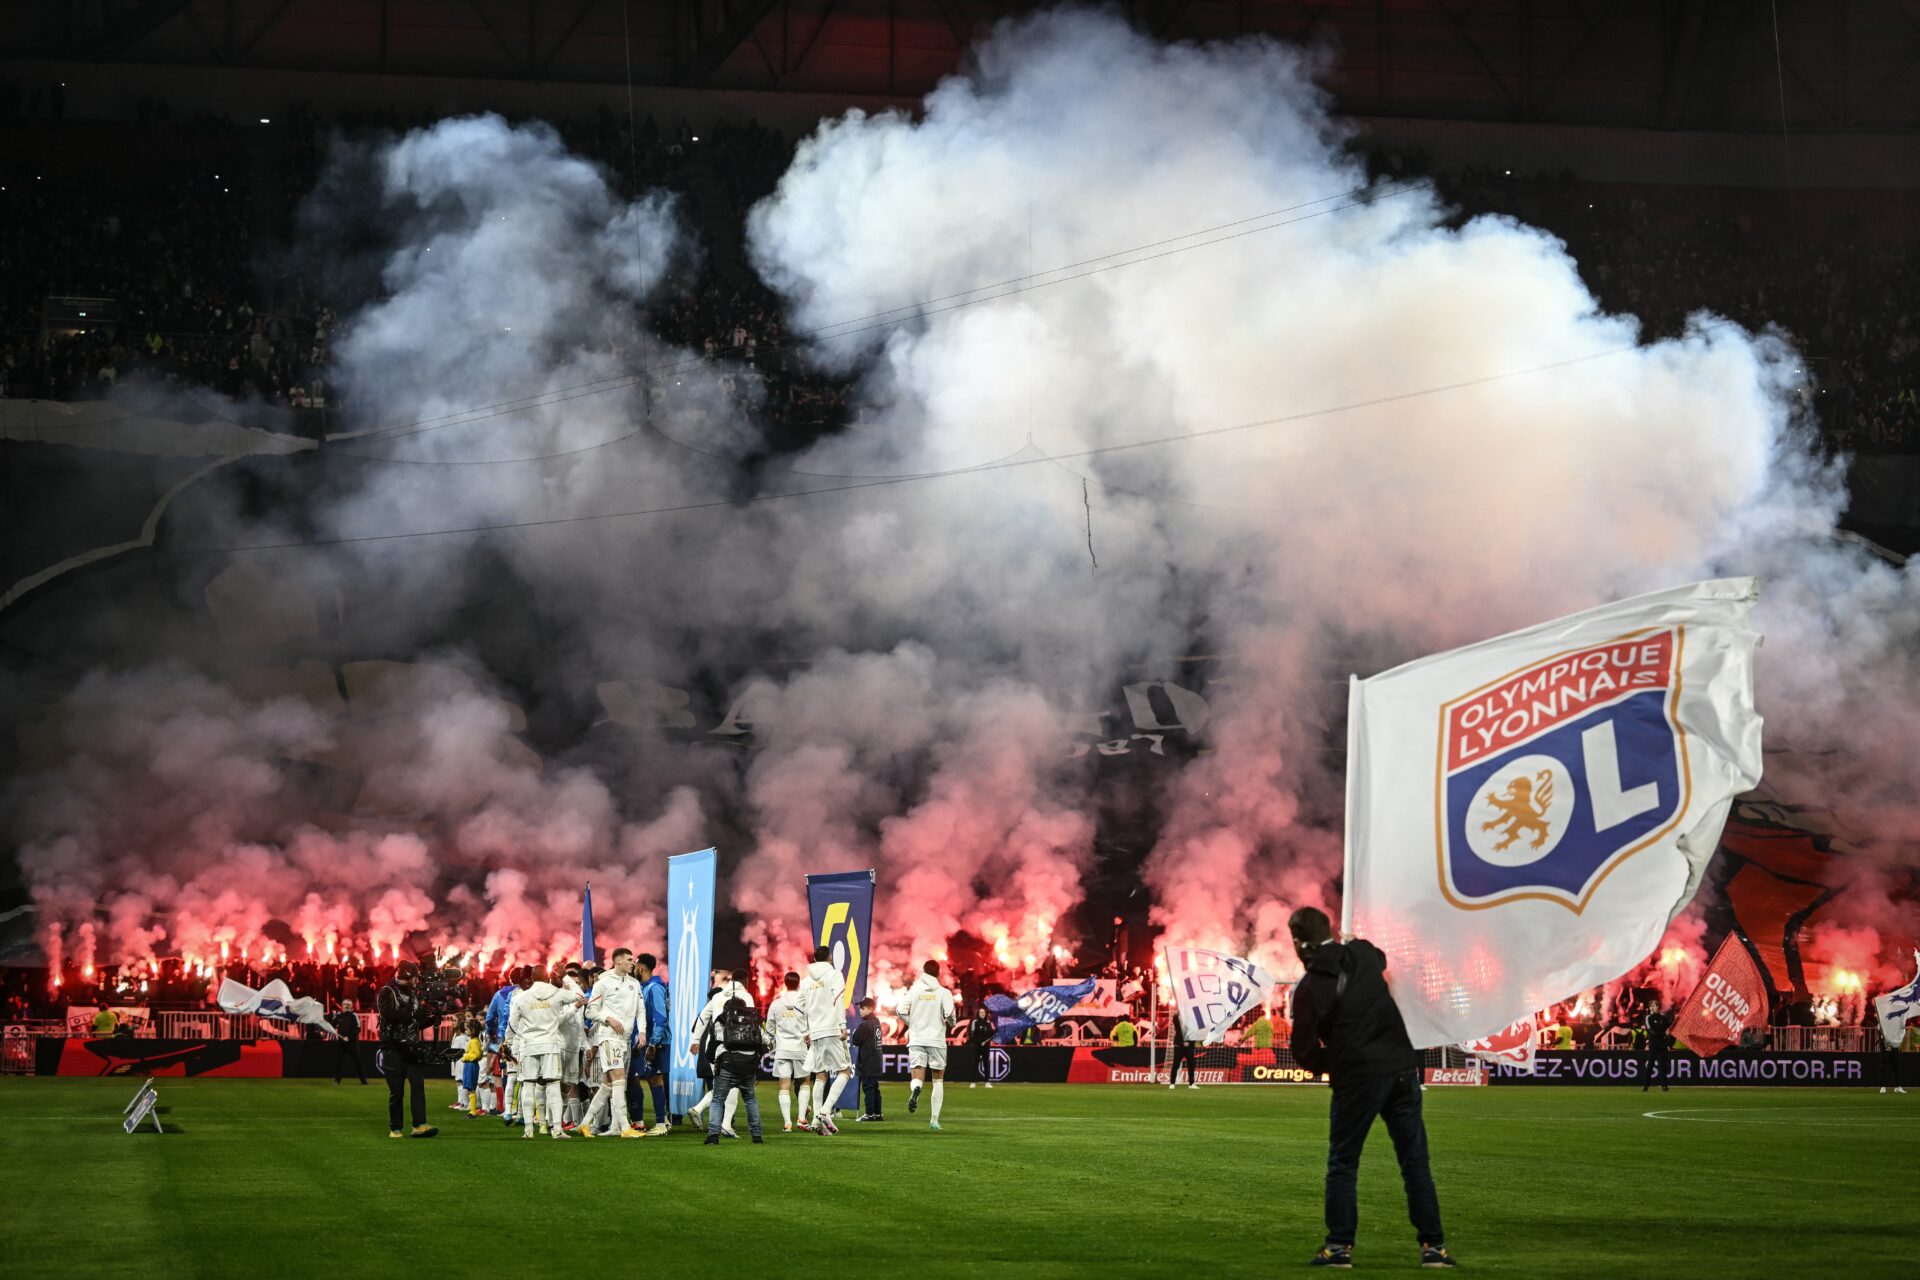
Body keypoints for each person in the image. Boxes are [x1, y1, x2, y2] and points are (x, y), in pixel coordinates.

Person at [1287, 906, 1451, 1270]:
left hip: (1358, 1077)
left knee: (1343, 1163)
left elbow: (1304, 1051)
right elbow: (1379, 956)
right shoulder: (1362, 953)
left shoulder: (1310, 986)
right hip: (1401, 1068)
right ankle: (1434, 1247)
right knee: (1415, 1163)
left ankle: (1339, 1246)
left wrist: (1335, 1064)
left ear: (1299, 942)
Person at [507, 964, 584, 1139]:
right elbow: (580, 995)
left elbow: (512, 1024)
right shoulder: (556, 993)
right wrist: (565, 977)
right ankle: (557, 1129)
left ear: (532, 978)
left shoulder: (522, 998)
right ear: (547, 977)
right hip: (550, 1044)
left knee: (528, 1085)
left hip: (529, 1046)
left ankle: (528, 1130)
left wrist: (517, 1040)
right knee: (553, 1085)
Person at [578, 947, 648, 1139]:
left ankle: (585, 1124)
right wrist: (608, 1019)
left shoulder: (634, 983)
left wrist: (642, 1031)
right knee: (619, 1080)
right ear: (618, 962)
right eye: (629, 959)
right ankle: (625, 1127)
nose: (632, 962)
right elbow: (590, 1011)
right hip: (608, 1037)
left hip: (625, 1039)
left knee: (608, 1084)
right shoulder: (604, 983)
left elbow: (640, 1010)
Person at [375, 961, 439, 1139]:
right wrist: (413, 1014)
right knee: (397, 1091)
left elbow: (416, 1023)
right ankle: (395, 1128)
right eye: (414, 978)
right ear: (409, 977)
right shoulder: (386, 991)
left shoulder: (413, 994)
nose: (416, 981)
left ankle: (419, 1124)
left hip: (411, 1047)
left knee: (418, 1085)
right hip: (393, 1048)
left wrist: (433, 1018)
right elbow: (388, 1014)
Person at [689, 970, 753, 1137]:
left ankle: (702, 1111)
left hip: (714, 1047)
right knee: (733, 1085)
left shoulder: (718, 995)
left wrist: (695, 1041)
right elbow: (750, 1022)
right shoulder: (746, 997)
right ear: (745, 982)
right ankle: (725, 1124)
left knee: (722, 1085)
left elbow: (702, 1018)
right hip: (735, 1046)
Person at [703, 987, 767, 1145]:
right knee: (750, 1099)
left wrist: (713, 1061)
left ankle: (713, 1135)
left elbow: (712, 1046)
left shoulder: (722, 1020)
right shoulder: (752, 1020)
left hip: (727, 1064)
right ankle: (756, 1135)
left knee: (718, 1099)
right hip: (749, 1066)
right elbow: (764, 1040)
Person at [800, 946, 850, 1134]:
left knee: (820, 1075)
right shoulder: (834, 975)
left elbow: (798, 1006)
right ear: (830, 958)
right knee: (844, 1070)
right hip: (831, 1028)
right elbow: (838, 998)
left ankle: (815, 1121)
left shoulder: (806, 981)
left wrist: (805, 1030)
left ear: (814, 959)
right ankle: (825, 1111)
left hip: (815, 1032)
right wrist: (842, 1024)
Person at [902, 960, 956, 1129]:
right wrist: (952, 1024)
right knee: (937, 1080)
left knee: (917, 1075)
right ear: (938, 973)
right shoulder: (944, 993)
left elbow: (900, 1010)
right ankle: (934, 1120)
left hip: (917, 1039)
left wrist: (912, 1024)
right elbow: (949, 1013)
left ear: (923, 971)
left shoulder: (914, 991)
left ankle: (916, 1088)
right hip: (936, 1041)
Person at [632, 953, 672, 1135]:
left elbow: (660, 1018)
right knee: (652, 1079)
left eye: (635, 967)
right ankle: (663, 1120)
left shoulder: (654, 988)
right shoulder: (646, 987)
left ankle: (661, 1124)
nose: (633, 970)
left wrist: (653, 1043)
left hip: (657, 1042)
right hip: (650, 1041)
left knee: (655, 1080)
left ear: (641, 968)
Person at [767, 972, 812, 1130]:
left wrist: (770, 1043)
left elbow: (770, 1029)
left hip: (782, 1049)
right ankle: (801, 1119)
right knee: (805, 1082)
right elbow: (811, 1023)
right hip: (800, 1048)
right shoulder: (805, 1003)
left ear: (785, 984)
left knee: (784, 1086)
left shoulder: (776, 1003)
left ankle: (787, 1123)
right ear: (799, 983)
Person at [851, 997, 884, 1121]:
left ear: (870, 1009)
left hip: (868, 1061)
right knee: (875, 1087)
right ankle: (877, 1113)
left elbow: (855, 1040)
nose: (860, 1010)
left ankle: (869, 1113)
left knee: (868, 1088)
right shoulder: (876, 1021)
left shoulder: (866, 1024)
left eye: (863, 1008)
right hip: (876, 1060)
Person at [331, 999, 367, 1084]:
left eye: (348, 1004)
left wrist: (349, 1037)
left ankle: (363, 1081)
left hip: (352, 1044)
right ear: (342, 1005)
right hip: (341, 1044)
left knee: (357, 1063)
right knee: (339, 1063)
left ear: (351, 1006)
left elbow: (358, 1029)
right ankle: (337, 1081)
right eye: (344, 1004)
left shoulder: (354, 1016)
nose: (346, 1006)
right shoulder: (339, 1016)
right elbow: (332, 1025)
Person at [1639, 1008, 1672, 1094]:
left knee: (1663, 1066)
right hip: (1653, 1045)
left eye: (1655, 1006)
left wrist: (1676, 1018)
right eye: (1652, 1006)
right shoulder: (1648, 1018)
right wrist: (1663, 1034)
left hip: (1662, 1045)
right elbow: (1651, 1031)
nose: (1653, 1008)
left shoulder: (1662, 1018)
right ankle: (1646, 1085)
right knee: (1650, 1066)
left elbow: (1668, 1025)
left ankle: (1664, 1086)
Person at [967, 1006, 997, 1089]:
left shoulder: (988, 1023)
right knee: (975, 1064)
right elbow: (971, 1034)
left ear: (985, 1013)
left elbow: (991, 1034)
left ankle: (987, 1082)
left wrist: (995, 1032)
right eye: (981, 1012)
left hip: (986, 1047)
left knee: (986, 1064)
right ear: (978, 1013)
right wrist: (977, 1043)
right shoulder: (974, 1022)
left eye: (984, 1012)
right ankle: (973, 1082)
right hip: (977, 1046)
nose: (982, 1014)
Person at [1168, 1008, 1199, 1089]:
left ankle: (1191, 1084)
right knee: (1176, 1064)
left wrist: (1189, 1042)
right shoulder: (1178, 1021)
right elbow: (1175, 1021)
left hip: (1189, 1045)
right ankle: (1172, 1083)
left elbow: (1194, 1033)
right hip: (1179, 1045)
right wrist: (1176, 1014)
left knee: (1191, 1064)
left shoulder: (1193, 1023)